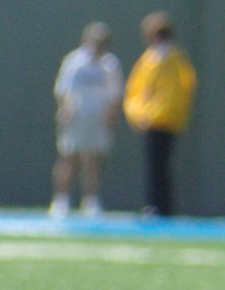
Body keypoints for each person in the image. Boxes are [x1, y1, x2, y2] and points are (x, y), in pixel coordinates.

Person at [123, 12, 195, 218]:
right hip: (168, 118)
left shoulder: (158, 59)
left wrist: (141, 114)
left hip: (157, 119)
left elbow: (141, 90)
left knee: (156, 166)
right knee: (161, 165)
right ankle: (162, 205)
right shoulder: (177, 59)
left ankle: (157, 205)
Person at [52, 23, 122, 219]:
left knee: (92, 160)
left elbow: (115, 94)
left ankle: (91, 201)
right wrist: (64, 110)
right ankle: (61, 200)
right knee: (68, 157)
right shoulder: (74, 62)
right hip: (76, 116)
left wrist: (110, 115)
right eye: (95, 41)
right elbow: (62, 89)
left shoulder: (110, 64)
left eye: (102, 42)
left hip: (97, 119)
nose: (98, 45)